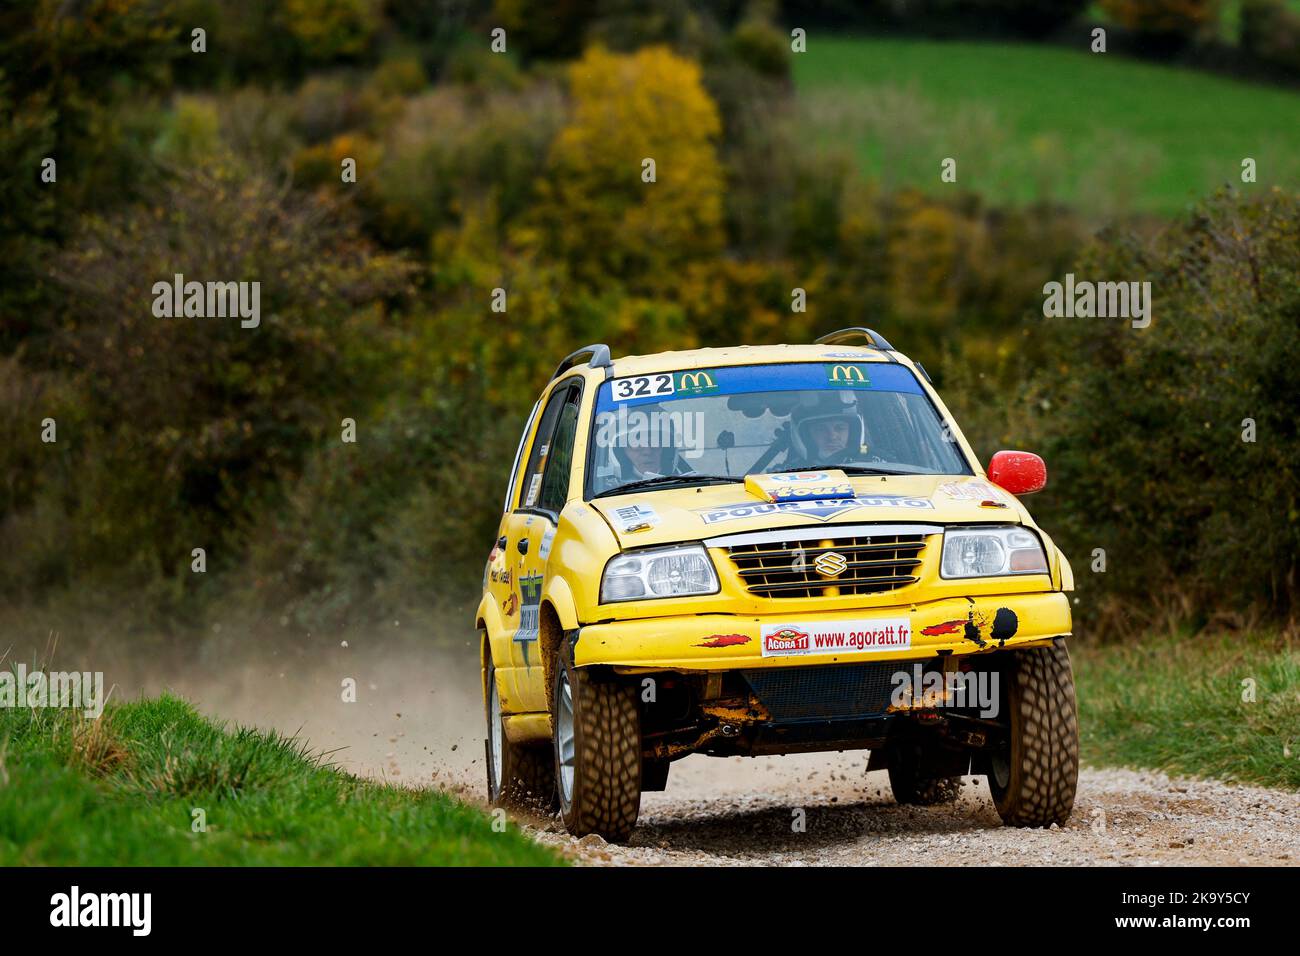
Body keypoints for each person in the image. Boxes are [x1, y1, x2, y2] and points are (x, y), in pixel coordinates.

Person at [787, 393, 865, 467]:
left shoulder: (870, 463)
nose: (832, 437)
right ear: (806, 436)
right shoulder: (788, 474)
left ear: (853, 433)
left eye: (840, 428)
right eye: (821, 429)